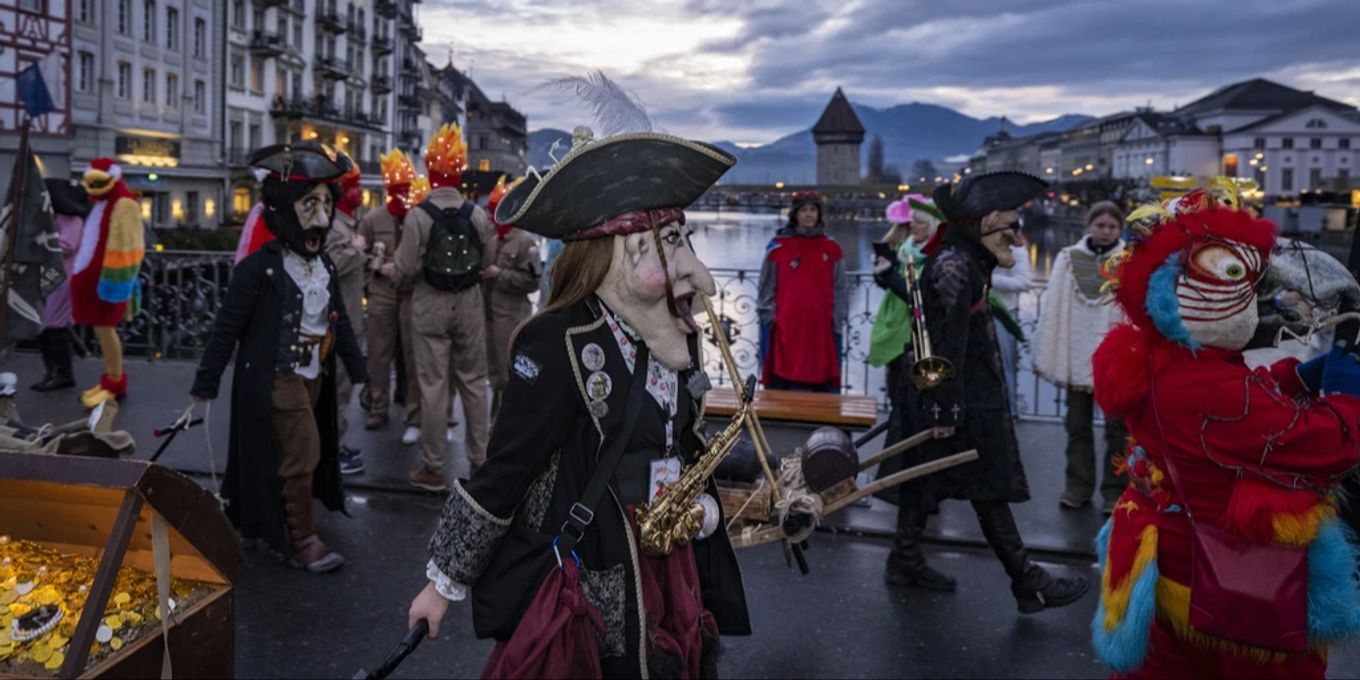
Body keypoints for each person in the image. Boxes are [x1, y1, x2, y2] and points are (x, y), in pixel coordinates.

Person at [407, 126, 749, 678]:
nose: (698, 274)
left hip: (670, 558)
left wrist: (708, 503)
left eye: (684, 239)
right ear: (618, 255)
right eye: (670, 243)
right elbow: (507, 470)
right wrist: (442, 585)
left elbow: (679, 440)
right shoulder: (557, 340)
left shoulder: (672, 333)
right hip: (596, 570)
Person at [1089, 184, 1360, 678]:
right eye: (1235, 273)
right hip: (1226, 581)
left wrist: (1298, 375)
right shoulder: (1210, 390)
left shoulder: (1155, 357)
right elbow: (1328, 444)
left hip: (1164, 560)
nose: (1262, 295)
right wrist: (1346, 392)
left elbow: (1230, 418)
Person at [872, 171, 1089, 611]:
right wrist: (943, 412)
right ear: (984, 223)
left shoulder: (964, 261)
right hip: (957, 403)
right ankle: (1027, 581)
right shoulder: (956, 267)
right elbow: (940, 343)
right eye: (1010, 225)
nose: (1017, 235)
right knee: (986, 488)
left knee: (924, 481)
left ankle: (906, 558)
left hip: (952, 400)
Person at [190, 141, 368, 573]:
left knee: (284, 450)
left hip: (314, 373)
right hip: (275, 375)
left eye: (326, 205)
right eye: (311, 206)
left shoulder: (322, 264)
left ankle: (258, 523)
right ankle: (300, 541)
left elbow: (338, 319)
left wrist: (360, 371)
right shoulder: (258, 269)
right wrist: (205, 384)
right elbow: (227, 327)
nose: (321, 218)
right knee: (302, 449)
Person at [392, 123, 492, 491]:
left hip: (429, 304)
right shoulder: (477, 214)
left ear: (431, 174)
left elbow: (403, 269)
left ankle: (433, 468)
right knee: (474, 384)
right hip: (469, 304)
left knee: (433, 386)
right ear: (460, 172)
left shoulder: (418, 216)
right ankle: (481, 463)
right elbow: (488, 260)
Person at [1033, 201, 1128, 513]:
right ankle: (1077, 487)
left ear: (1119, 229)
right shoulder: (1068, 259)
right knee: (1077, 427)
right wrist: (1055, 351)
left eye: (1112, 227)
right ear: (1089, 225)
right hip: (1077, 358)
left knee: (1119, 431)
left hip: (1116, 360)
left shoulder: (1129, 260)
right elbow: (1055, 307)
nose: (1105, 232)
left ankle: (1116, 492)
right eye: (1100, 225)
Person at [71, 158, 145, 408]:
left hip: (108, 282)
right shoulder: (104, 203)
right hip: (94, 280)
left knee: (105, 329)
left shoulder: (123, 204)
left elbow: (126, 246)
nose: (92, 187)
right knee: (101, 330)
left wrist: (116, 282)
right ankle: (109, 379)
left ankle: (115, 382)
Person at [358, 149, 421, 439]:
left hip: (410, 294)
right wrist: (376, 265)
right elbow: (361, 255)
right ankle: (378, 407)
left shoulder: (418, 218)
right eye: (397, 191)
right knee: (378, 355)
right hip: (382, 294)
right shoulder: (372, 220)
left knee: (411, 355)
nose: (402, 197)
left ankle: (412, 411)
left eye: (405, 191)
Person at [757, 190, 847, 392]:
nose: (809, 214)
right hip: (786, 330)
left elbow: (840, 287)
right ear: (795, 214)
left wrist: (837, 319)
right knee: (784, 382)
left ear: (819, 214)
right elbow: (766, 287)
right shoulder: (778, 247)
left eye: (813, 210)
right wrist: (770, 318)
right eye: (804, 210)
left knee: (821, 382)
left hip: (821, 330)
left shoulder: (832, 249)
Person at [481, 176, 541, 421]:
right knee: (495, 374)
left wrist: (501, 275)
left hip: (513, 317)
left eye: (493, 212)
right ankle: (496, 420)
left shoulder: (525, 241)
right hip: (491, 317)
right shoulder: (493, 241)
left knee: (510, 374)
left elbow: (533, 281)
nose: (489, 218)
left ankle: (508, 422)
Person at [325, 155, 368, 475]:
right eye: (355, 187)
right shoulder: (334, 223)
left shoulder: (346, 221)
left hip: (351, 314)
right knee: (338, 387)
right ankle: (332, 451)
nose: (362, 191)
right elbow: (333, 264)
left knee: (343, 387)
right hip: (340, 317)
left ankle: (337, 442)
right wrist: (358, 249)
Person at [31, 179, 89, 392]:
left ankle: (63, 374)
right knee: (47, 324)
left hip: (64, 276)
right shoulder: (57, 217)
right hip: (52, 274)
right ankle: (53, 372)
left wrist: (40, 242)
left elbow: (67, 245)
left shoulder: (71, 219)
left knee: (54, 323)